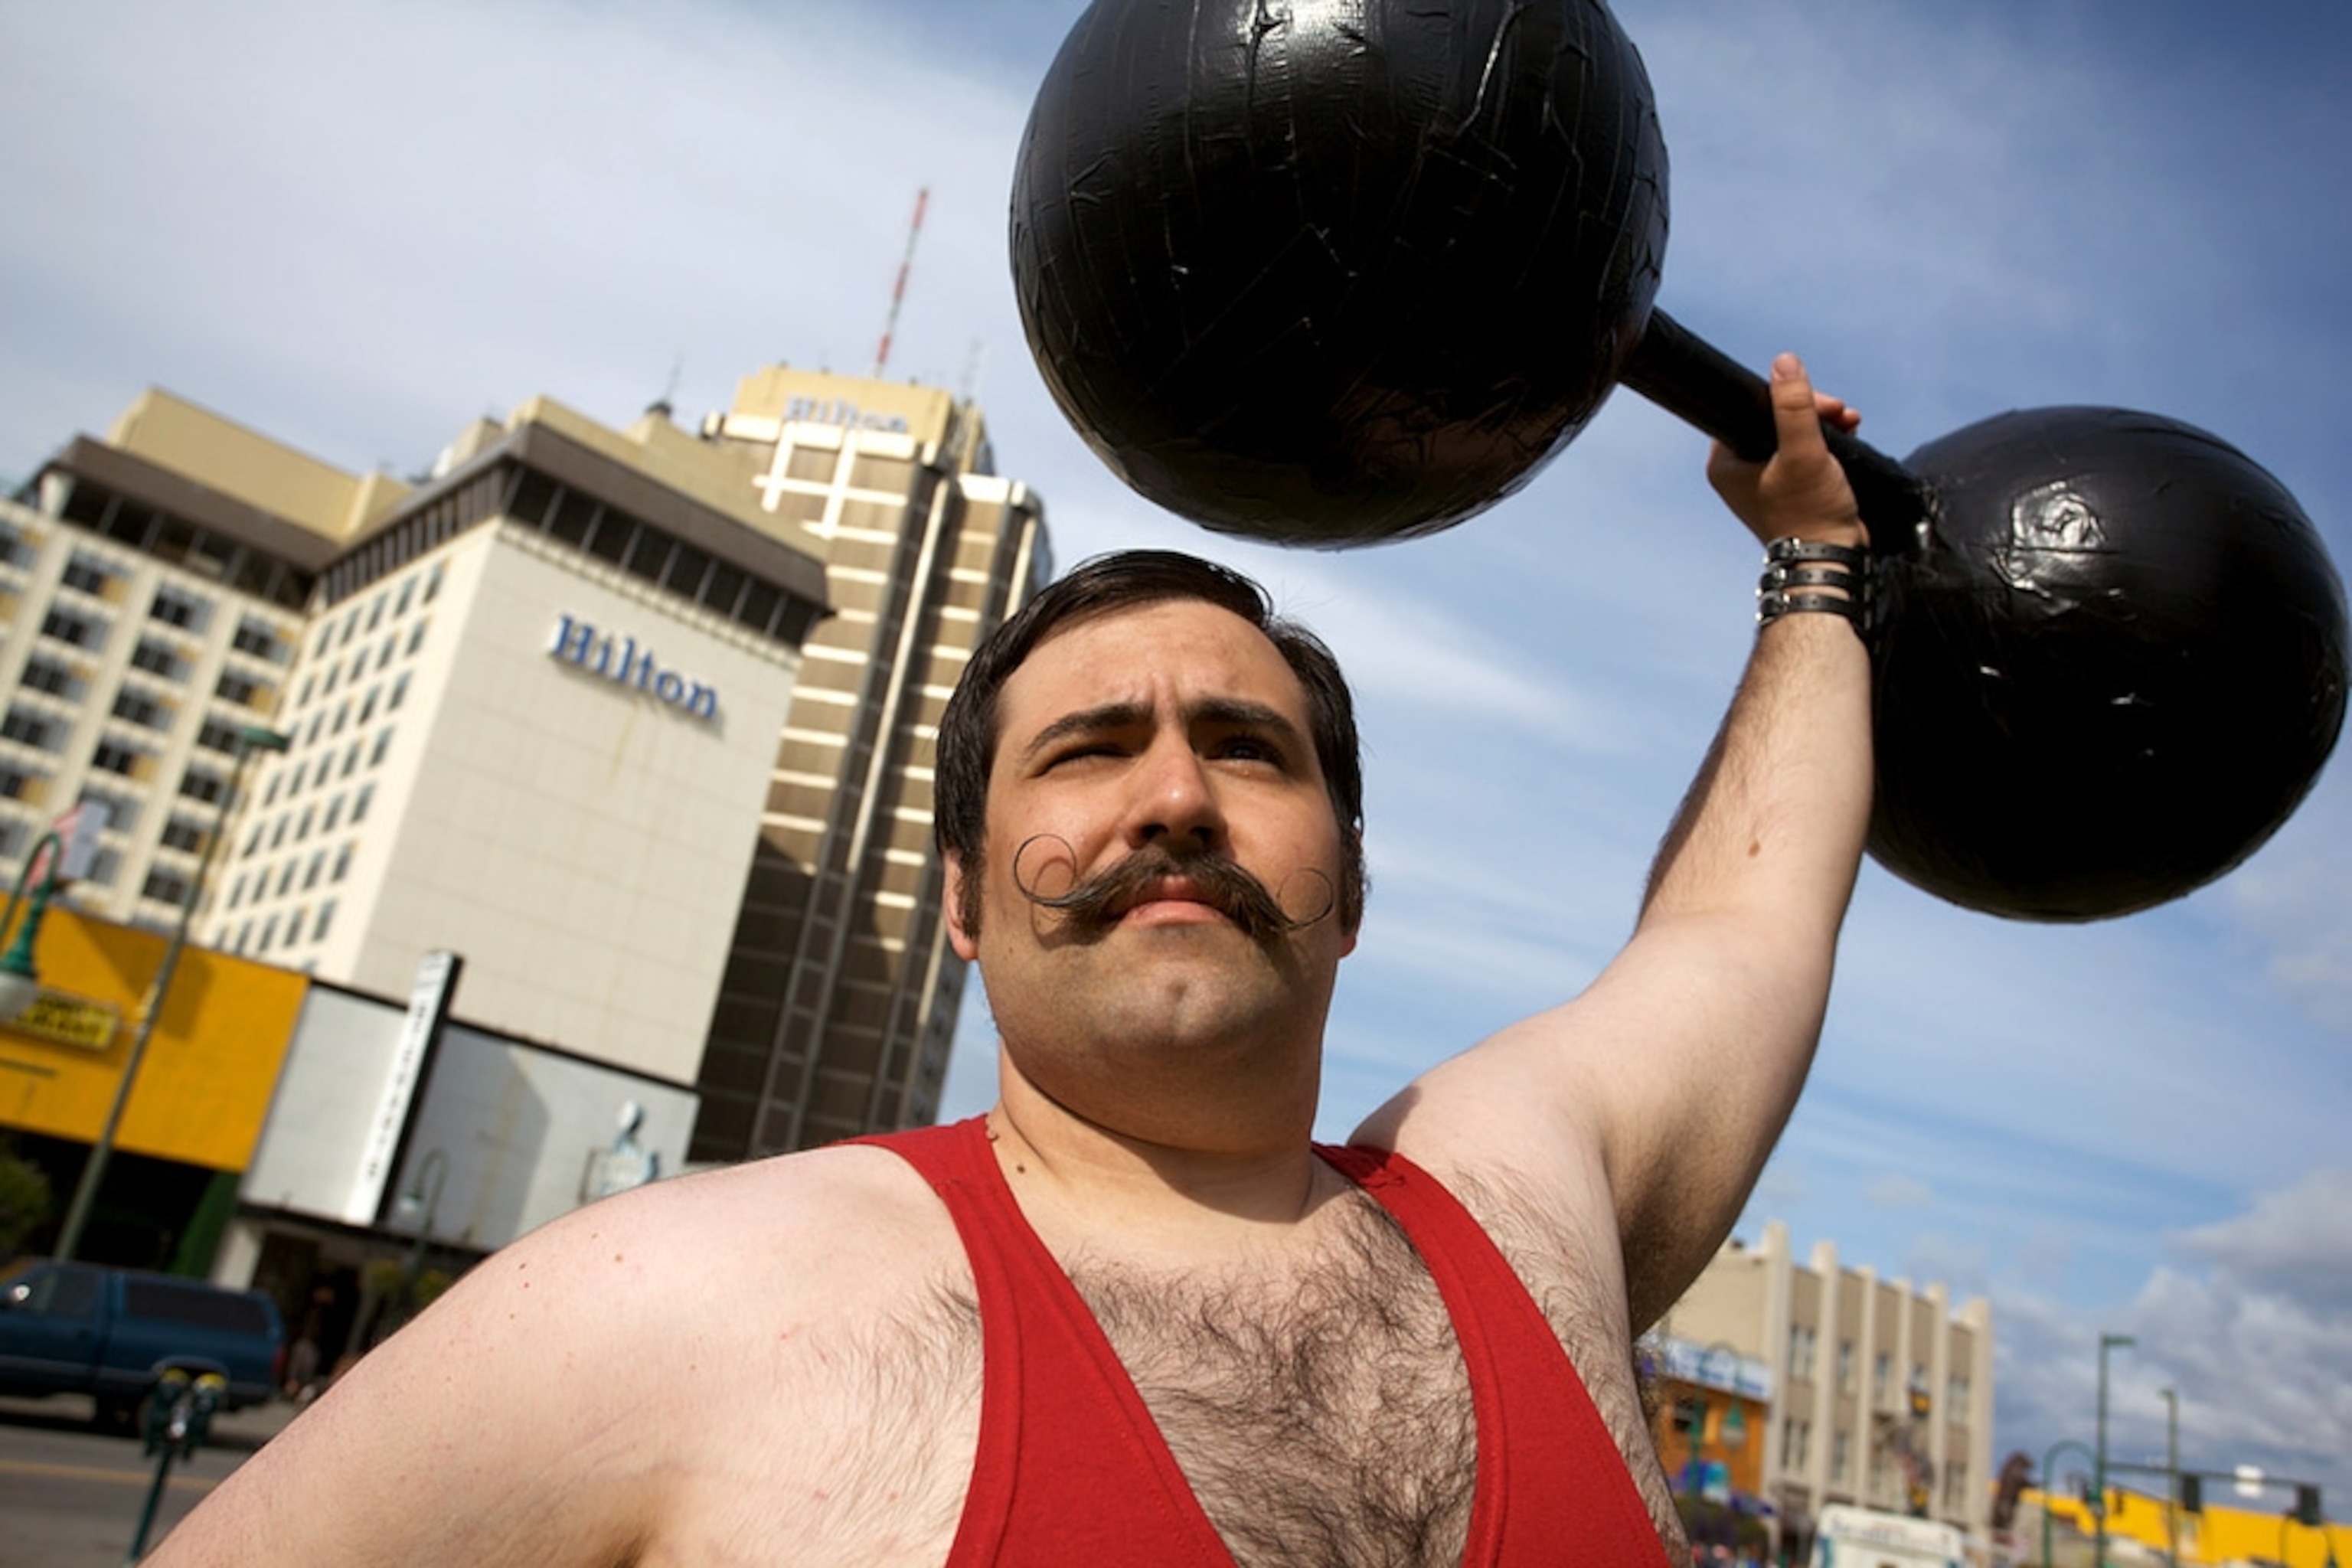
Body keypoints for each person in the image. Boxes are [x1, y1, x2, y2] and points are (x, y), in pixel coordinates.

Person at [152, 354, 1870, 1566]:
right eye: (1094, 746)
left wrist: (1814, 562)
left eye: (1252, 751)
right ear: (963, 898)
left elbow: (1744, 918)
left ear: (1350, 889)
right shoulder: (662, 1304)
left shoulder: (1519, 1195)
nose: (1179, 794)